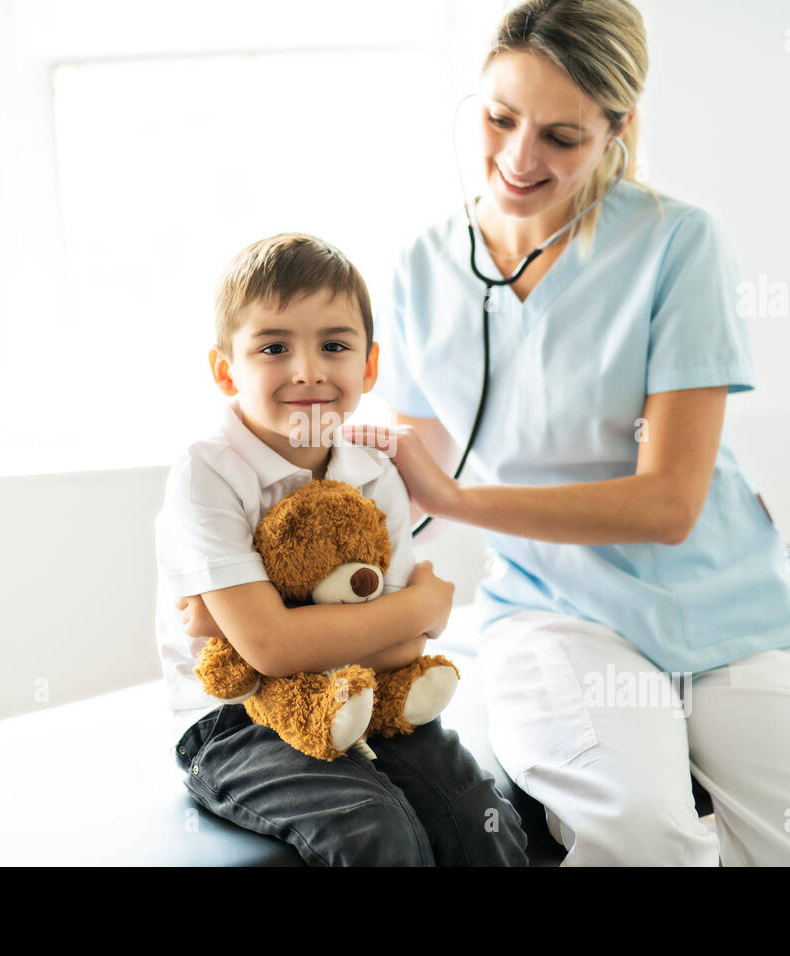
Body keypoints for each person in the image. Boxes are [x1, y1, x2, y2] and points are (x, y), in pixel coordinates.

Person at [340, 0, 790, 866]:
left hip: (727, 604)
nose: (519, 159)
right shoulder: (420, 267)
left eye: (561, 136)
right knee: (642, 831)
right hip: (553, 613)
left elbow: (669, 503)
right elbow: (417, 480)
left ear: (616, 128)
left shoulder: (677, 244)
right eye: (500, 118)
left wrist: (459, 498)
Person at [156, 232, 529, 866]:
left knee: (478, 817)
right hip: (238, 717)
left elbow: (403, 652)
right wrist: (425, 606)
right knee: (372, 828)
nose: (309, 370)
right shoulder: (208, 473)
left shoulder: (374, 471)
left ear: (370, 366)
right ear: (227, 371)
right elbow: (270, 652)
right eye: (274, 347)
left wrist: (281, 624)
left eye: (334, 345)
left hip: (371, 692)